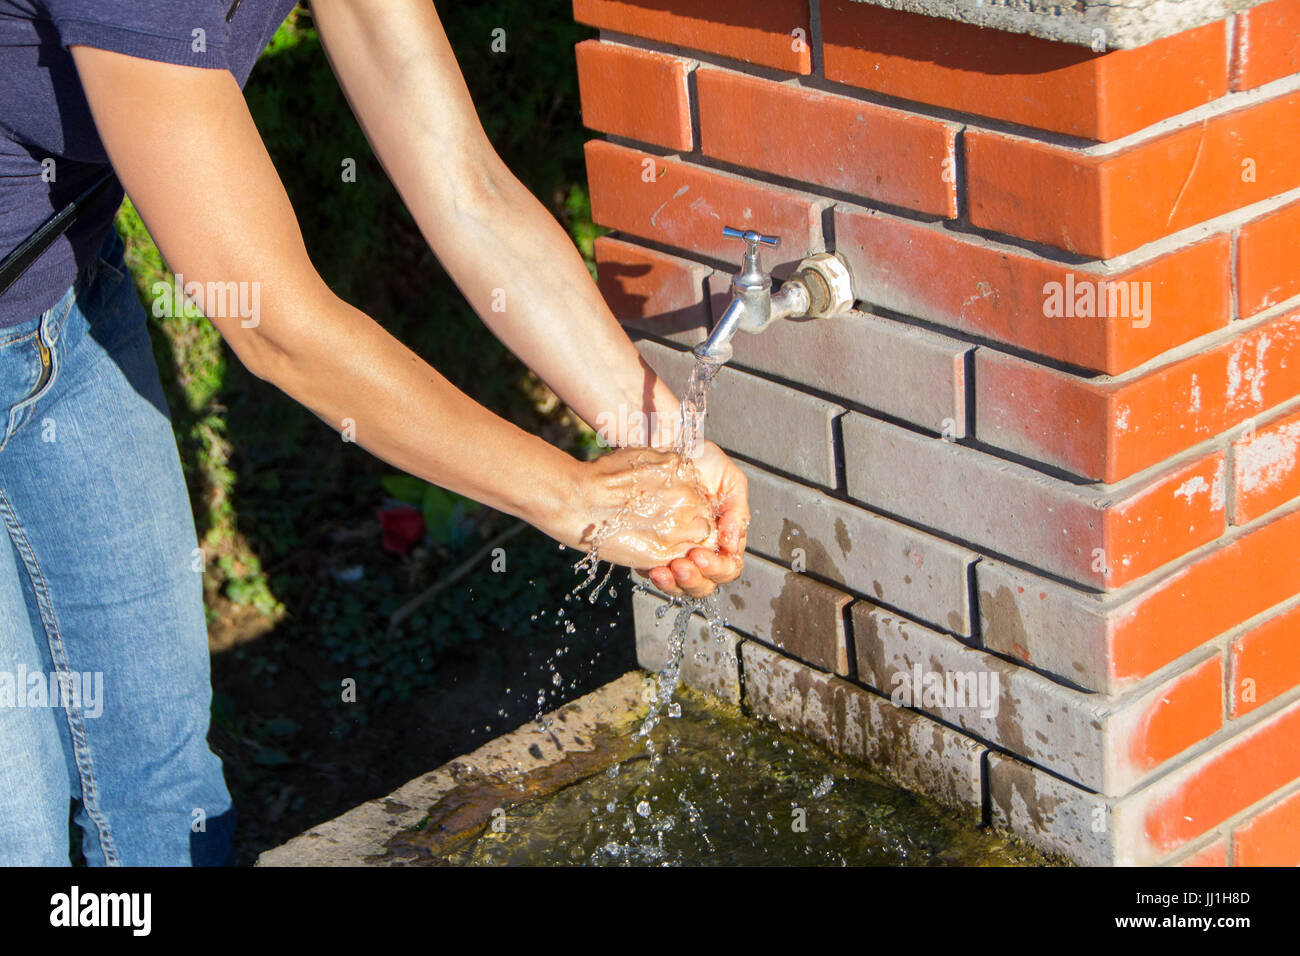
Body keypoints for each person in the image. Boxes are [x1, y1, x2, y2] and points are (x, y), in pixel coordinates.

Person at [0, 0, 749, 866]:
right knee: (16, 832)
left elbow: (465, 185)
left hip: (65, 305)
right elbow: (272, 324)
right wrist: (576, 499)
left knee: (164, 795)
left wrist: (659, 431)